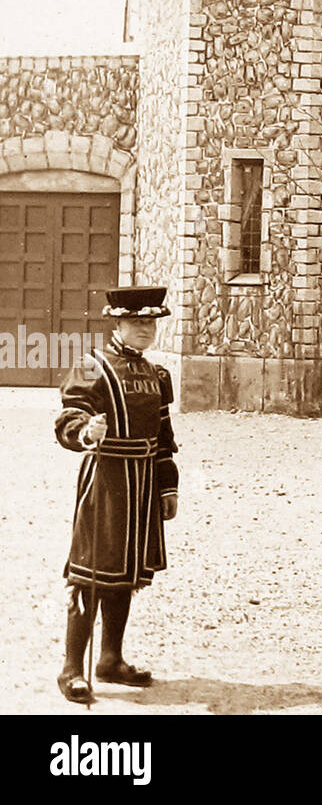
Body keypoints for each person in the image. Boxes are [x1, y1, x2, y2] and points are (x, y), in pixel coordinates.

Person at [53, 285, 178, 703]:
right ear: (118, 323)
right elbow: (70, 413)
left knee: (126, 573)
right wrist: (86, 431)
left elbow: (164, 435)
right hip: (107, 477)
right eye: (137, 322)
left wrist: (168, 485)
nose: (145, 330)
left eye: (151, 322)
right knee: (92, 572)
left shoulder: (157, 375)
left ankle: (110, 659)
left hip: (142, 481)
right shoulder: (91, 365)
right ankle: (72, 669)